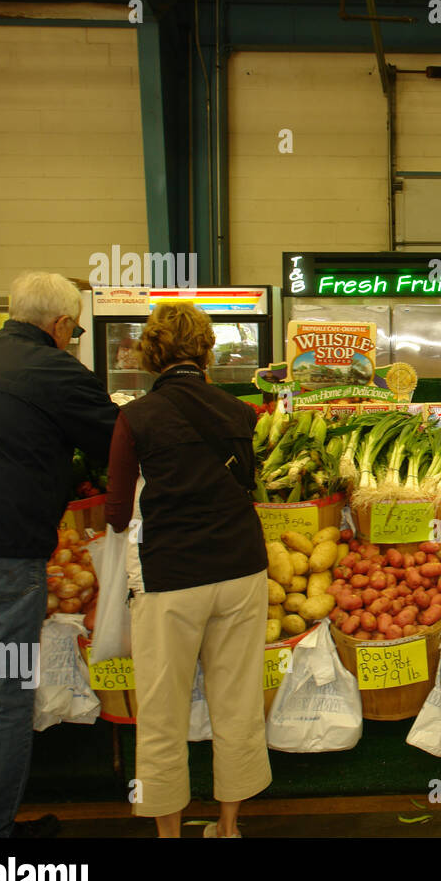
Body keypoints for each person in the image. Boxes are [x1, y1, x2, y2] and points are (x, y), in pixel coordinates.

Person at [0, 272, 117, 838]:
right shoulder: (59, 372)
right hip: (0, 564)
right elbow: (118, 446)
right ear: (62, 325)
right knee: (1, 700)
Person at [104, 303, 271, 838]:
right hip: (242, 570)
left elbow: (114, 511)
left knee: (162, 712)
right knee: (238, 702)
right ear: (207, 352)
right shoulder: (242, 414)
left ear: (152, 354)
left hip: (170, 576)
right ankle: (227, 826)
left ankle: (170, 833)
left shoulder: (135, 418)